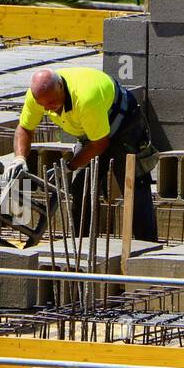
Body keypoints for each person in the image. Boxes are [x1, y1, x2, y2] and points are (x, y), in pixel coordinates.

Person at [11, 67, 159, 242]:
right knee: (81, 187)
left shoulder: (85, 99)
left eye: (51, 102)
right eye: (43, 105)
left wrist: (69, 166)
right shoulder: (38, 97)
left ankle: (146, 245)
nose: (48, 108)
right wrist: (19, 158)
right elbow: (25, 128)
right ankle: (84, 243)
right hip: (93, 131)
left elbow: (100, 143)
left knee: (133, 185)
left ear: (60, 86)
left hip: (124, 125)